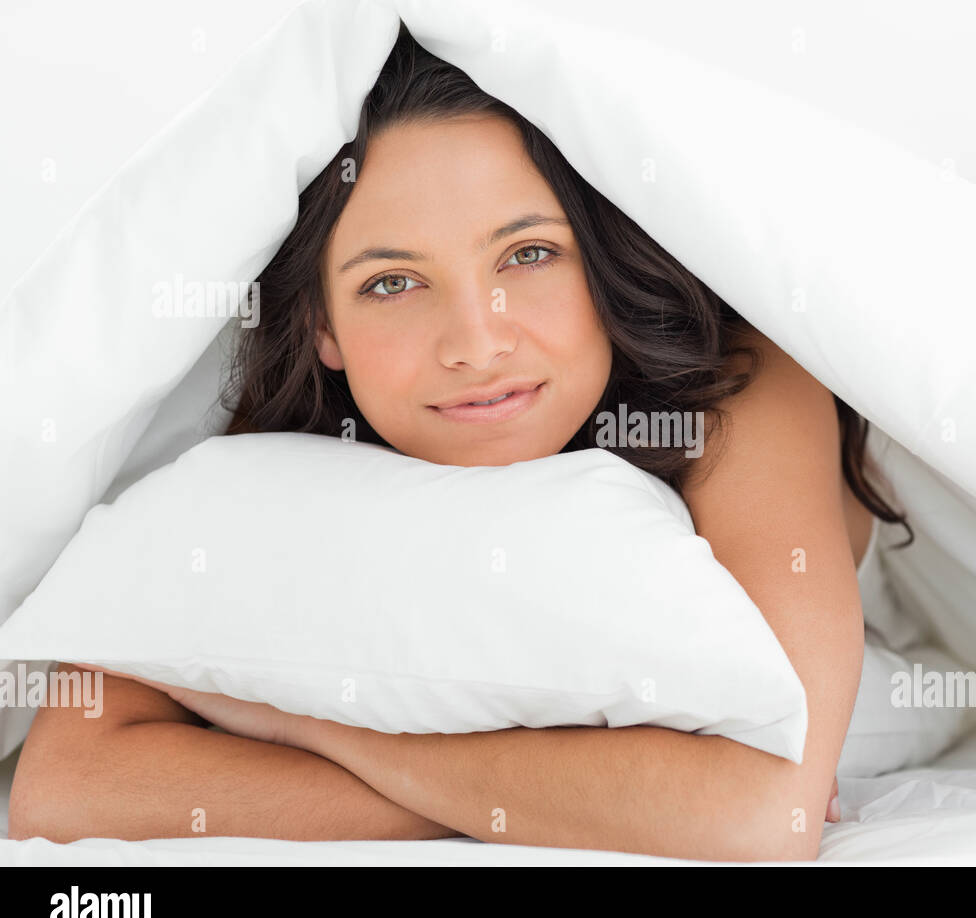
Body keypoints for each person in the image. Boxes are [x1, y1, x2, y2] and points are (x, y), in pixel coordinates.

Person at [11, 24, 913, 862]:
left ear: (600, 261)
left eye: (527, 255)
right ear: (323, 325)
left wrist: (323, 733)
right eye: (393, 282)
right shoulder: (272, 472)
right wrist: (592, 790)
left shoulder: (738, 379)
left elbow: (766, 815)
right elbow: (64, 787)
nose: (477, 344)